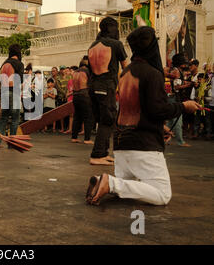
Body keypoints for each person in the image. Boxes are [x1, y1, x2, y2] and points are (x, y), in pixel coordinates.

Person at [86, 26, 201, 206]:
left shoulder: (125, 73)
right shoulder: (153, 73)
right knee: (162, 195)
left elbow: (133, 108)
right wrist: (183, 106)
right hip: (142, 144)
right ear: (152, 47)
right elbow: (157, 109)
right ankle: (111, 183)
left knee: (133, 187)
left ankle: (107, 183)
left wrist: (159, 126)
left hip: (121, 144)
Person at [87, 17, 128, 165]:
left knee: (102, 120)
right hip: (106, 86)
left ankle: (103, 153)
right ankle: (97, 155)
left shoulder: (92, 45)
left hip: (92, 86)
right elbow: (126, 68)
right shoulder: (116, 44)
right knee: (108, 120)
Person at [0, 44, 24, 148]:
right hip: (13, 92)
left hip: (4, 92)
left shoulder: (4, 64)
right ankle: (12, 143)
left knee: (3, 118)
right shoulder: (19, 64)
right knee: (15, 119)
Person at [166, 54, 192, 146]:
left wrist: (188, 83)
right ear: (180, 63)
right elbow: (176, 86)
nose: (186, 65)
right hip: (174, 98)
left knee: (170, 119)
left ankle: (165, 138)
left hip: (172, 98)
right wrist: (188, 85)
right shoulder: (176, 71)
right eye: (184, 63)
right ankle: (180, 141)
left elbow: (178, 82)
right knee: (177, 119)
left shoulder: (177, 71)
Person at [71, 60, 93, 145]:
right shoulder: (87, 71)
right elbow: (90, 84)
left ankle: (74, 137)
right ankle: (87, 139)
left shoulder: (75, 72)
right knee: (88, 117)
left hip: (75, 95)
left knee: (77, 117)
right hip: (84, 94)